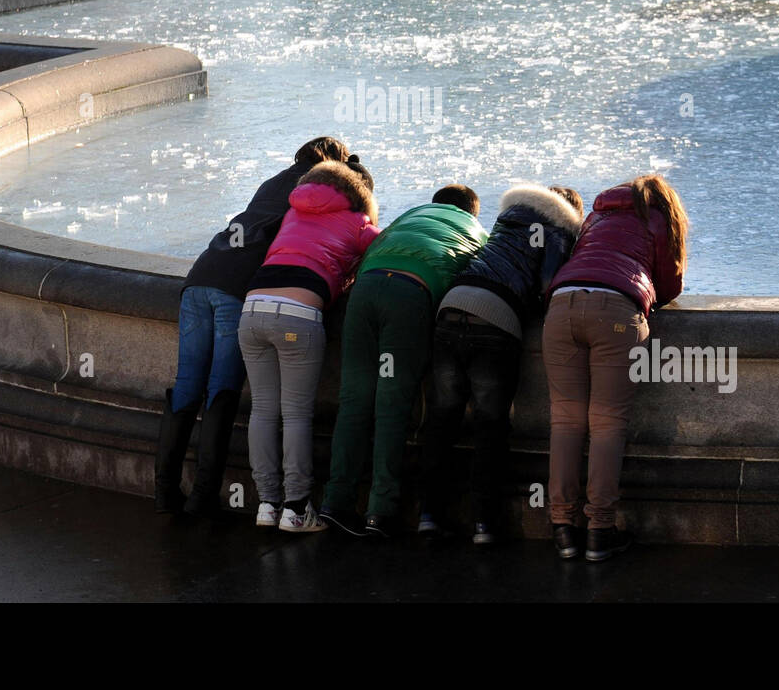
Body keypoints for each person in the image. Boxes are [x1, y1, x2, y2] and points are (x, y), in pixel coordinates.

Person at [154, 136, 351, 517]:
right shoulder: (315, 189)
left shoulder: (272, 181)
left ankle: (164, 493)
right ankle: (202, 497)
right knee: (221, 391)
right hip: (236, 287)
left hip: (201, 275)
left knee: (186, 388)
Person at [418, 183, 583, 545]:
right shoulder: (558, 228)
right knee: (490, 427)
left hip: (452, 305)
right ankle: (484, 526)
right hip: (495, 318)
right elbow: (548, 284)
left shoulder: (507, 219)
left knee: (441, 421)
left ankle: (428, 516)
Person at [319, 185, 487, 538]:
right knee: (392, 402)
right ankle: (380, 511)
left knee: (354, 399)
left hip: (367, 288)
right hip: (409, 296)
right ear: (472, 212)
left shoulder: (410, 215)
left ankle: (335, 502)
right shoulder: (476, 231)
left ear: (435, 204)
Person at [543, 174, 687, 562]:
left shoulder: (595, 217)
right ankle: (599, 530)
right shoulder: (658, 217)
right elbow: (671, 283)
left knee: (565, 421)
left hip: (561, 303)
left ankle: (562, 529)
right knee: (607, 423)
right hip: (616, 310)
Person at [238, 159, 380, 532]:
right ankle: (297, 508)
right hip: (297, 316)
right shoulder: (358, 223)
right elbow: (385, 255)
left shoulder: (292, 214)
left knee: (263, 411)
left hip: (252, 309)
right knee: (297, 414)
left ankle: (267, 505)